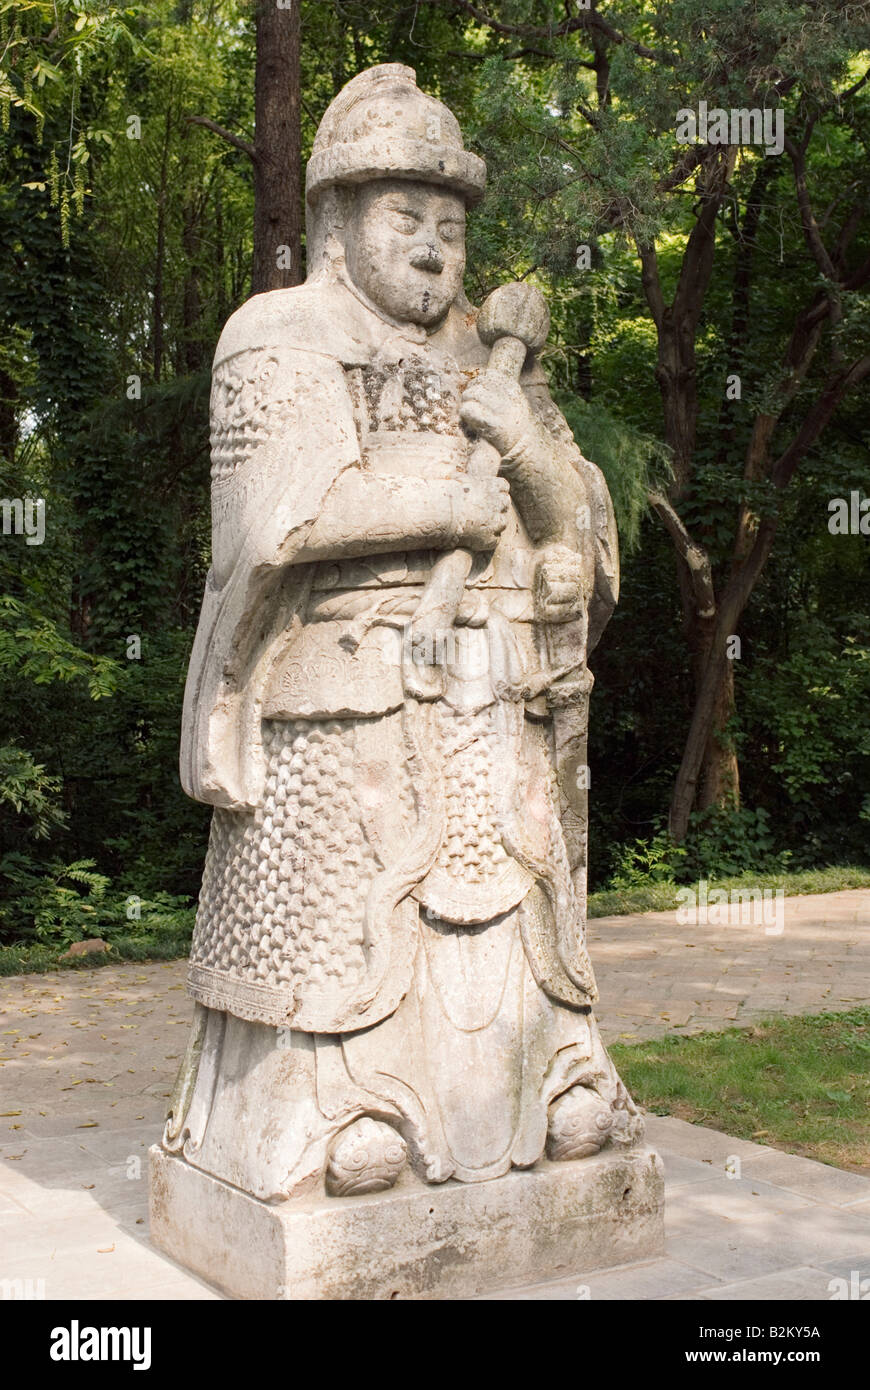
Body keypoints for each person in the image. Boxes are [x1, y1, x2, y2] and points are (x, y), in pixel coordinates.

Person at [165, 64, 643, 1200]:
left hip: (497, 689)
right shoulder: (276, 335)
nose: (434, 248)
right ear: (336, 220)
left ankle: (549, 1080)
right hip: (348, 689)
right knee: (341, 922)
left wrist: (522, 449)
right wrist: (442, 502)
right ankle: (332, 1113)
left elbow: (583, 525)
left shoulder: (493, 357)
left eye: (451, 226)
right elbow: (275, 521)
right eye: (406, 217)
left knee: (516, 909)